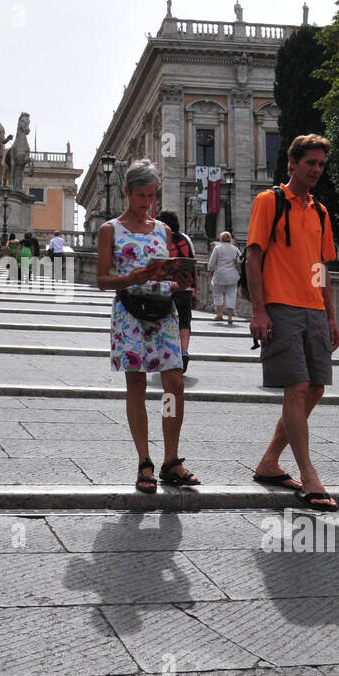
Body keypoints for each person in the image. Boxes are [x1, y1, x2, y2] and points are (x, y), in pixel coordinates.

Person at [246, 134, 339, 511]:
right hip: (281, 307)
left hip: (314, 310)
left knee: (315, 388)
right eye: (310, 163)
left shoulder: (320, 212)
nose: (317, 170)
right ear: (293, 164)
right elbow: (253, 257)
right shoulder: (269, 201)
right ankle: (310, 476)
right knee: (297, 386)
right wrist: (258, 310)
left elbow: (321, 267)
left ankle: (270, 462)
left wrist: (331, 316)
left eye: (321, 164)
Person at [97, 160, 195, 493]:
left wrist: (178, 279)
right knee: (136, 385)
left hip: (164, 312)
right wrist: (131, 277)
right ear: (127, 192)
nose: (146, 203)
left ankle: (171, 459)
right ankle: (145, 461)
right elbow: (101, 280)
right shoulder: (110, 229)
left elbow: (167, 268)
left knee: (174, 385)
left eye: (151, 196)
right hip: (130, 314)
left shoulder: (163, 230)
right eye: (141, 196)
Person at [157, 210, 197, 373]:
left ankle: (168, 352)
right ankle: (184, 351)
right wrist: (194, 290)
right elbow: (193, 264)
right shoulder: (186, 239)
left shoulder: (159, 239)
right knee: (185, 321)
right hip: (184, 287)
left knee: (164, 320)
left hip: (165, 287)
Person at [208, 231, 241, 324]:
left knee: (217, 293)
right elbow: (240, 259)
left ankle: (219, 314)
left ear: (221, 239)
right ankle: (230, 317)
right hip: (232, 274)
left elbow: (212, 261)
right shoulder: (235, 248)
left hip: (220, 274)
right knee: (231, 295)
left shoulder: (217, 248)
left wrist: (210, 270)